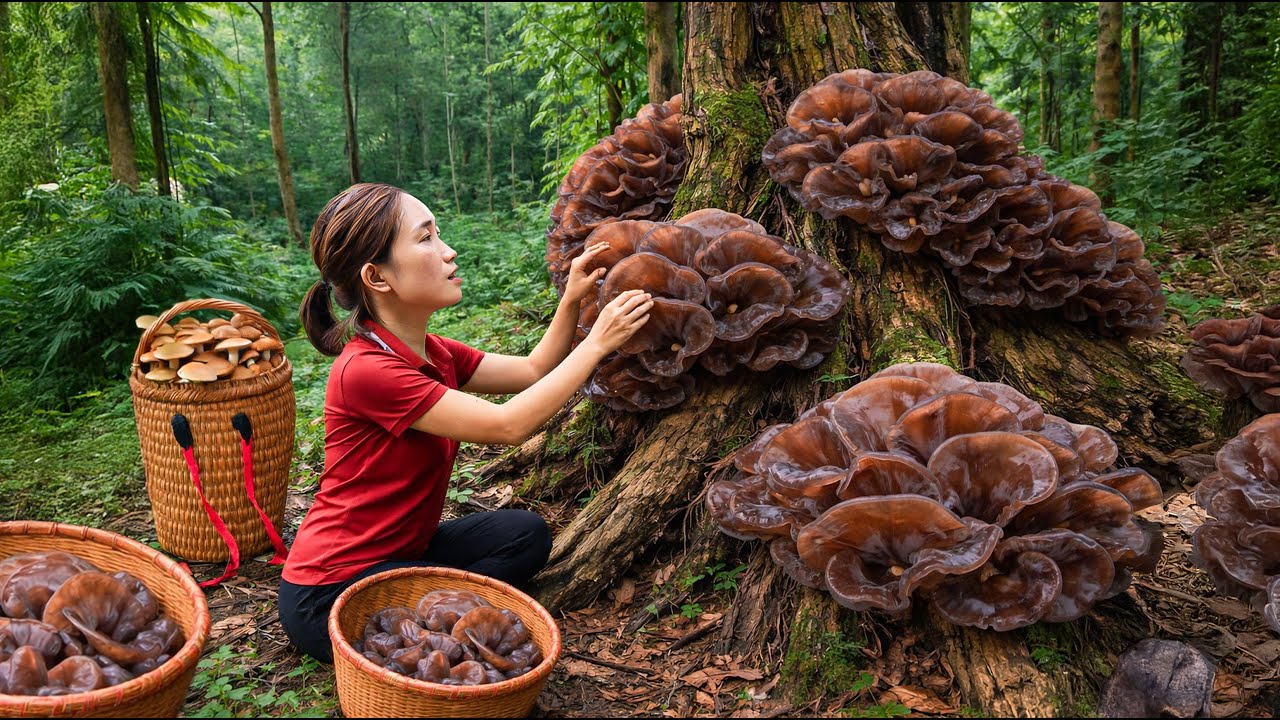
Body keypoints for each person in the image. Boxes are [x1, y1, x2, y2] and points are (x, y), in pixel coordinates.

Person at [279, 182, 653, 661]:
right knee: (491, 568)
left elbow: (532, 370)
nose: (448, 251)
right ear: (377, 277)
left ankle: (437, 603)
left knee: (524, 534)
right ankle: (438, 617)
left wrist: (573, 300)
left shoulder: (432, 352)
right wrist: (597, 344)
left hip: (403, 552)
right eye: (426, 238)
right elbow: (508, 426)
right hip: (329, 591)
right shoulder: (367, 370)